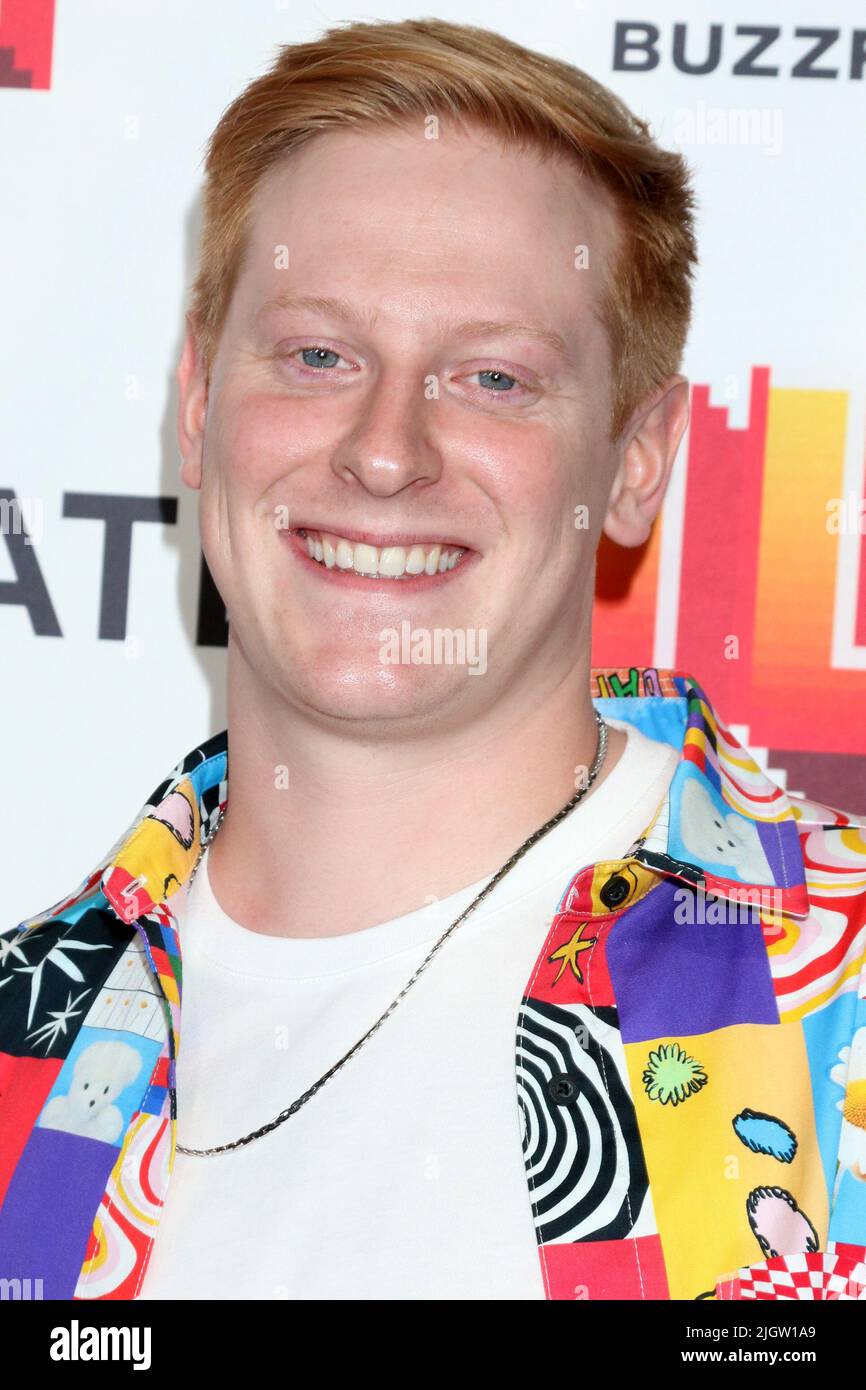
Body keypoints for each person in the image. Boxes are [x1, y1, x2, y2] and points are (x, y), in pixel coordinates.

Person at [1, 17, 864, 1304]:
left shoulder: (839, 988)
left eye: (494, 378)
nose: (385, 449)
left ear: (635, 461)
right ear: (196, 404)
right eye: (318, 355)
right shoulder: (24, 1039)